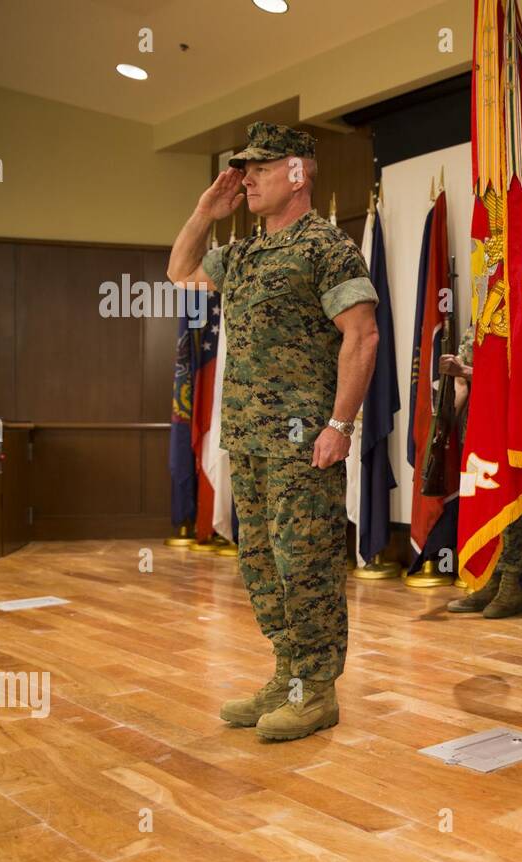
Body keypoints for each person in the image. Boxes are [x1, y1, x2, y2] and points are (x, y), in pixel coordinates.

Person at [167, 122, 380, 740]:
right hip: (251, 439)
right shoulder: (244, 252)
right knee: (260, 564)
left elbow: (361, 336)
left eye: (260, 167)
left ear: (298, 173)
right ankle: (286, 674)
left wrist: (340, 425)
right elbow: (180, 273)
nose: (247, 177)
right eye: (244, 168)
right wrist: (206, 210)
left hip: (302, 442)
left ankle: (316, 691)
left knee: (305, 565)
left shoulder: (327, 248)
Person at [441, 321, 522, 618]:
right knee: (483, 505)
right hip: (477, 431)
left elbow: (517, 374)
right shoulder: (478, 321)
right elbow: (464, 383)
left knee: (509, 508)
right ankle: (489, 578)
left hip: (507, 427)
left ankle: (510, 584)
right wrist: (443, 421)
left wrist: (463, 371)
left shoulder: (518, 315)